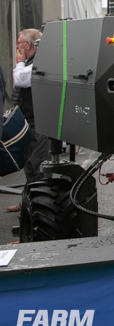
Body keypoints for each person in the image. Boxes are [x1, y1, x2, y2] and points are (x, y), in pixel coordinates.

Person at [8, 29, 46, 212]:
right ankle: (28, 202)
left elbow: (21, 80)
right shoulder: (31, 62)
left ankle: (39, 207)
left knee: (37, 165)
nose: (17, 46)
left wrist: (19, 62)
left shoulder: (40, 61)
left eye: (19, 42)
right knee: (29, 164)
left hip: (40, 122)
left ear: (29, 45)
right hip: (29, 121)